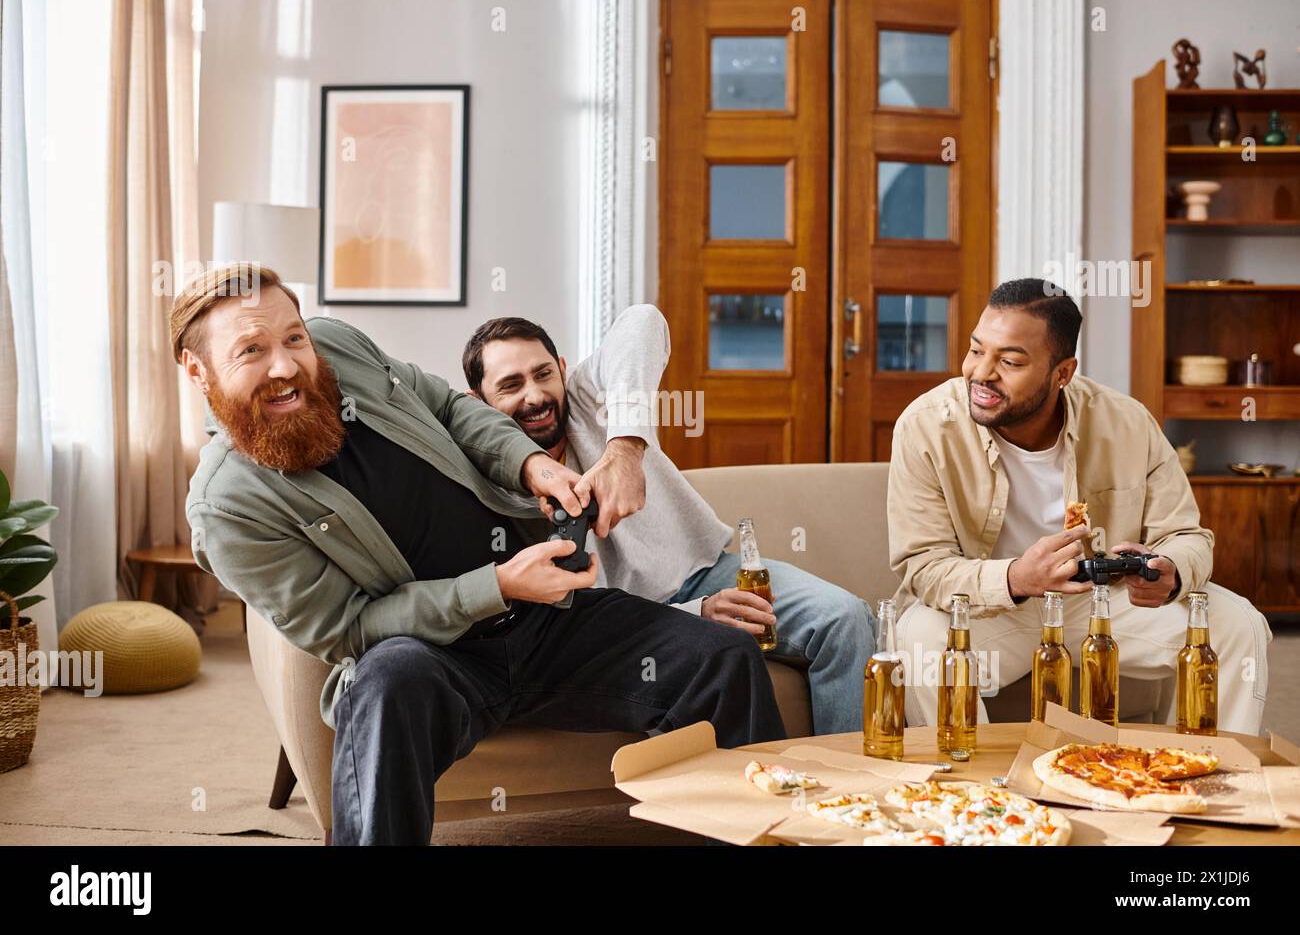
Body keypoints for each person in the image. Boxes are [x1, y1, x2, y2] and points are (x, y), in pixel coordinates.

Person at [172, 264, 786, 845]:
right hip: (436, 660)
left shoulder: (339, 348)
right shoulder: (227, 506)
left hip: (550, 622)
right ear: (197, 370)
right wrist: (496, 586)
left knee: (723, 657)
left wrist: (530, 463)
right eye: (251, 350)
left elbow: (447, 406)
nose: (287, 365)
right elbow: (344, 629)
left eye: (294, 338)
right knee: (383, 686)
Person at [462, 304, 875, 735]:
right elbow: (568, 629)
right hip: (628, 631)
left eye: (544, 374)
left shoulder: (590, 400)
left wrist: (624, 450)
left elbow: (643, 321)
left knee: (845, 619)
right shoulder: (486, 484)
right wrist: (696, 615)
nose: (535, 396)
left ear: (563, 369)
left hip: (707, 573)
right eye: (511, 385)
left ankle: (844, 793)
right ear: (477, 403)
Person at [887, 278, 1271, 733]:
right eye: (976, 350)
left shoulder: (1125, 421)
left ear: (1063, 373)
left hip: (1101, 601)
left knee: (1239, 624)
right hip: (991, 605)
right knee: (918, 636)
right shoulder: (927, 426)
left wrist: (1172, 569)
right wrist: (1015, 577)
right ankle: (969, 795)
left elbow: (1187, 535)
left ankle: (1222, 780)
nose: (981, 373)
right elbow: (923, 564)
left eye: (1009, 361)